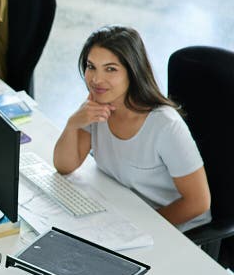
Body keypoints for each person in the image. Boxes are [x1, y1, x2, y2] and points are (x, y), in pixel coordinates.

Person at [53, 26, 211, 232]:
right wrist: (72, 123)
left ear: (133, 72)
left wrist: (137, 229)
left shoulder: (165, 126)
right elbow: (65, 166)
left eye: (110, 69)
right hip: (124, 210)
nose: (96, 79)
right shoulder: (97, 105)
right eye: (91, 66)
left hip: (173, 230)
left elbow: (198, 203)